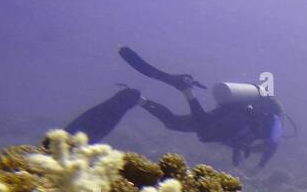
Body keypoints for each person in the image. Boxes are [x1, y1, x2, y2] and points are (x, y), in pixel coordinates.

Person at [65, 46, 286, 168]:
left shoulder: (250, 136)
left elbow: (237, 139)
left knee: (173, 123)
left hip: (227, 118)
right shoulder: (274, 124)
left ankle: (137, 99)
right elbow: (273, 144)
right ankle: (185, 89)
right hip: (231, 119)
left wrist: (240, 152)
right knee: (205, 130)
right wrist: (260, 167)